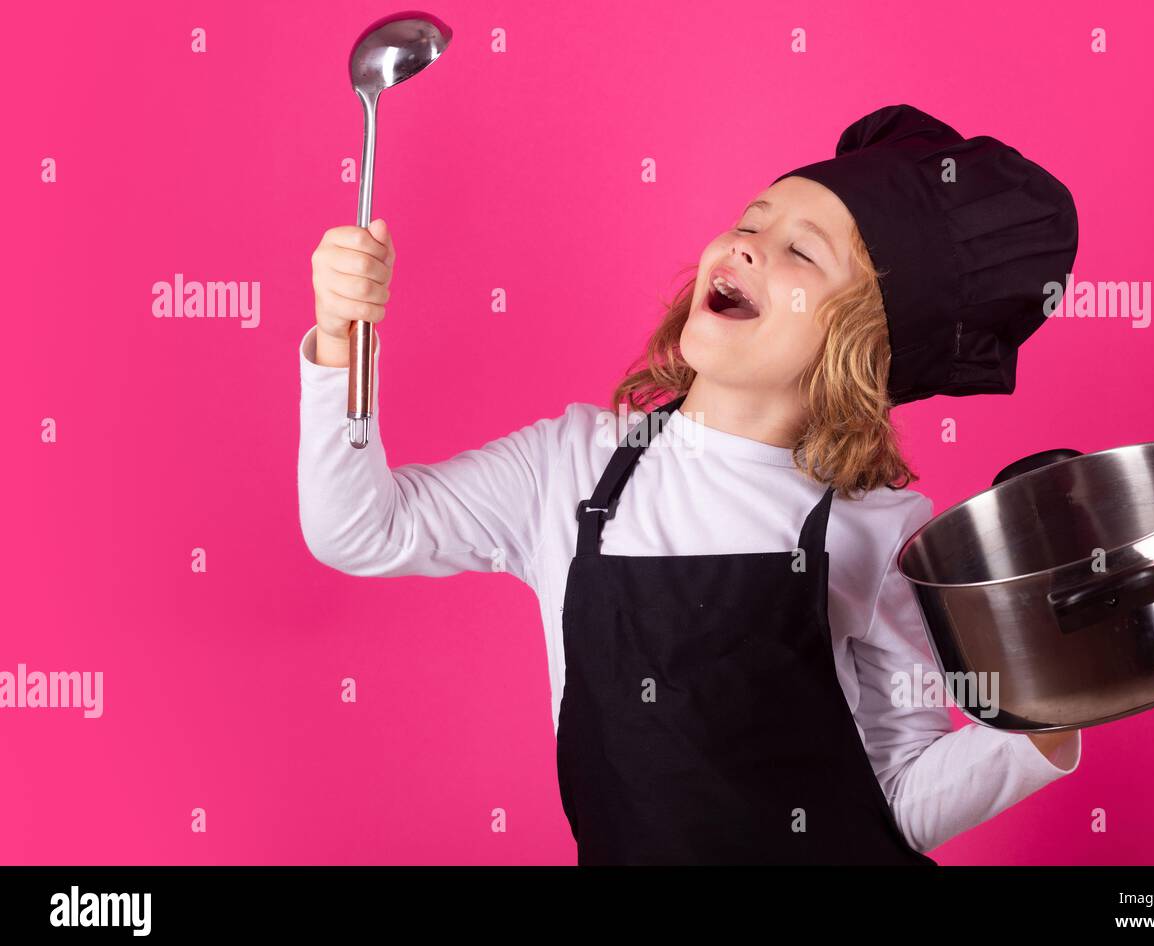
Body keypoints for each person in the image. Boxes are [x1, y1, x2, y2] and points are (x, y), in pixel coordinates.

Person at [300, 104, 1082, 865]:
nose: (745, 247)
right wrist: (341, 343)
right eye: (750, 222)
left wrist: (1051, 716)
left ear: (864, 342)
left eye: (800, 253)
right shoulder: (567, 467)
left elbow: (899, 798)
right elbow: (361, 530)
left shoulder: (881, 528)